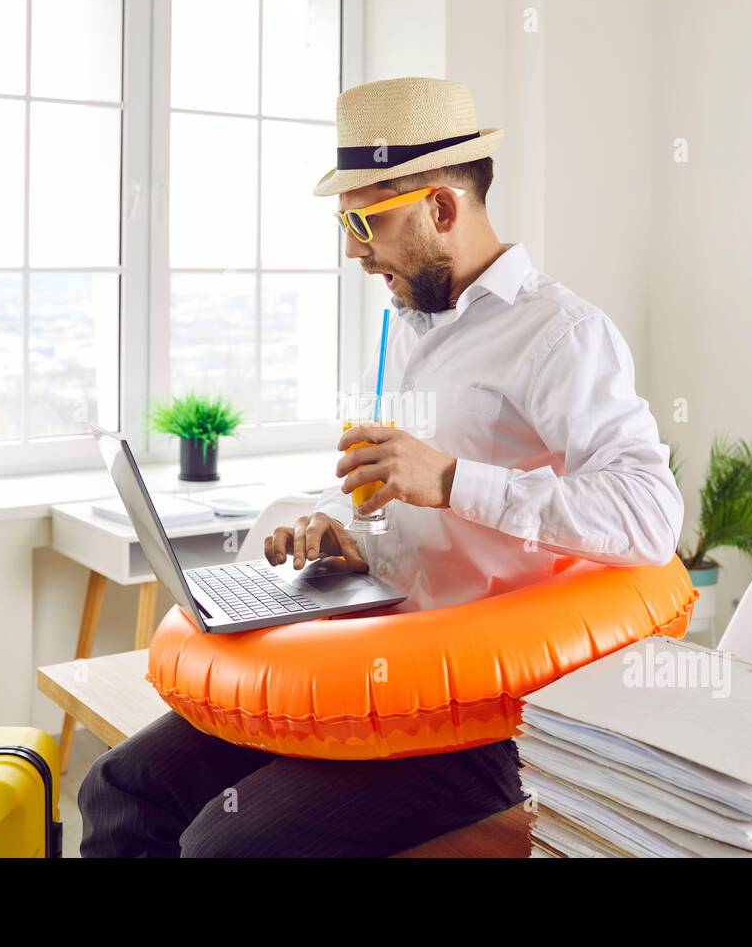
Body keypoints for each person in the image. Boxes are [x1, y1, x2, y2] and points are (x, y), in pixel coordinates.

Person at [79, 77, 684, 858]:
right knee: (119, 788)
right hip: (373, 664)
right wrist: (346, 532)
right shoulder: (408, 322)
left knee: (225, 847)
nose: (353, 251)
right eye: (345, 223)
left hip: (479, 717)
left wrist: (453, 480)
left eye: (366, 221)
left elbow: (651, 514)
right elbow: (407, 500)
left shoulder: (563, 335)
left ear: (441, 209)